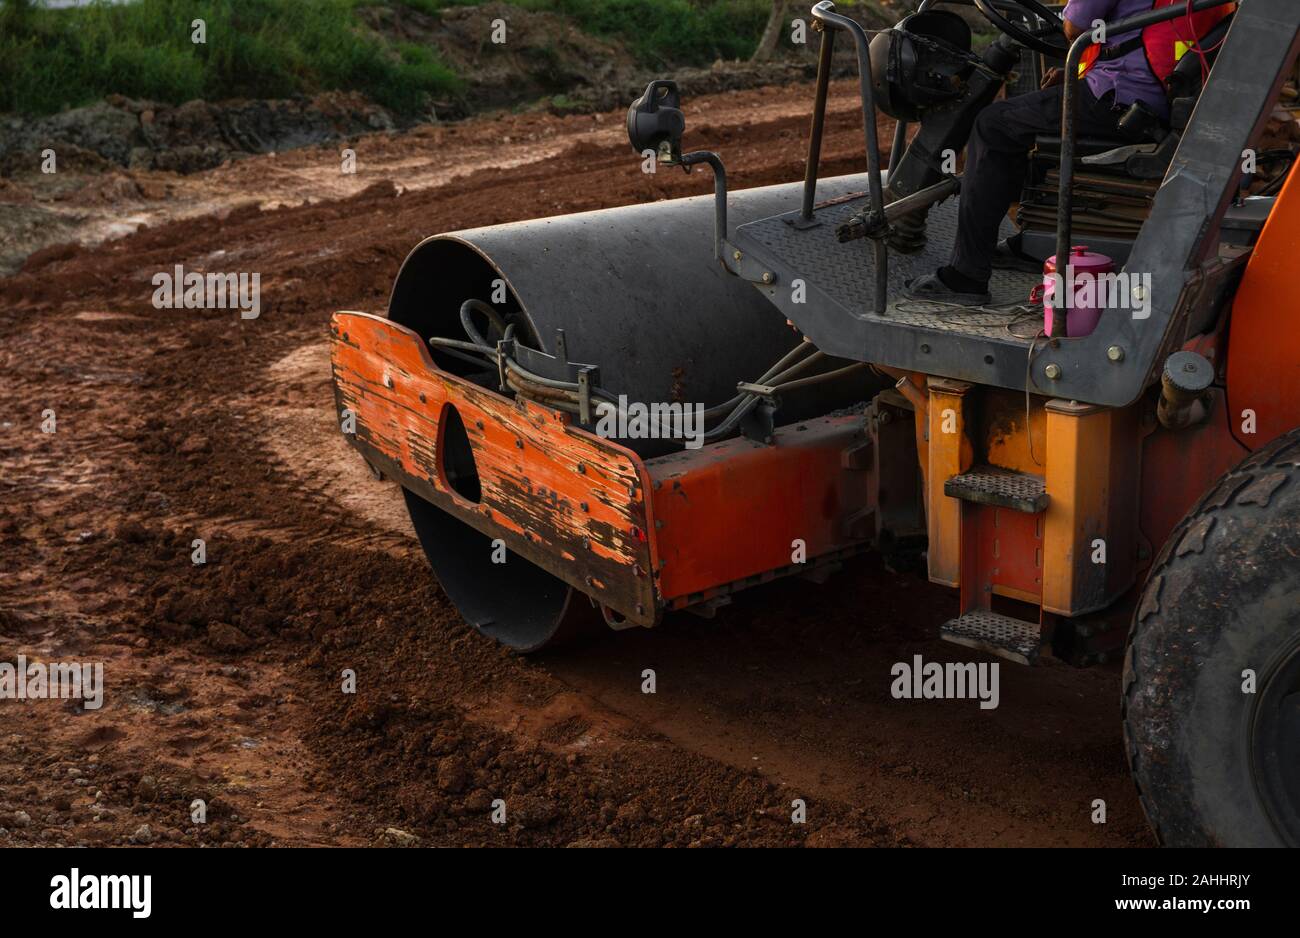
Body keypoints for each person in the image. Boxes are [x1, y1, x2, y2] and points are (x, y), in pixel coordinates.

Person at [905, 0, 1176, 306]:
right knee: (1028, 121)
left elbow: (1075, 25)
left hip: (1120, 99)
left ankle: (965, 276)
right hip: (1155, 94)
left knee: (993, 127)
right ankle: (1035, 241)